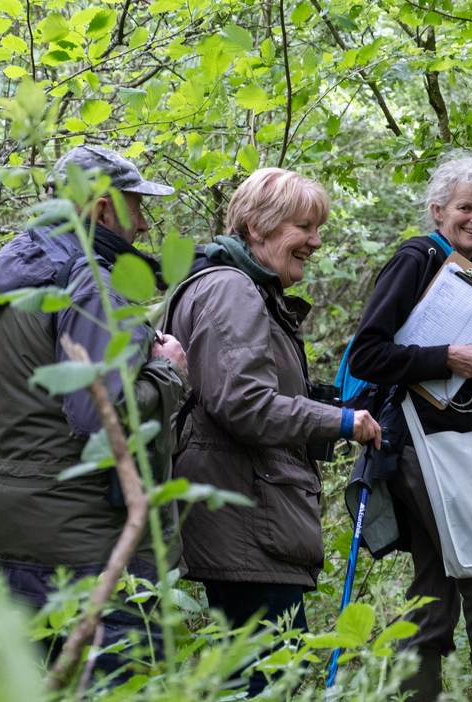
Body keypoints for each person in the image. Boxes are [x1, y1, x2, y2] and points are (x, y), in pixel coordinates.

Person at [0, 145, 189, 679]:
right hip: (98, 553)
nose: (144, 225)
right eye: (137, 207)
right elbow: (99, 416)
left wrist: (12, 501)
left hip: (19, 544)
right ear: (102, 209)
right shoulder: (92, 282)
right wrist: (168, 372)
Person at [166, 167, 381, 696]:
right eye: (303, 227)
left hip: (250, 524)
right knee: (272, 682)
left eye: (317, 227)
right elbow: (243, 403)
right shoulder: (232, 289)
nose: (316, 241)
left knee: (263, 678)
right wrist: (342, 421)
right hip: (247, 527)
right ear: (257, 228)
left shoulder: (242, 288)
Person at [347, 153, 472, 702]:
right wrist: (444, 356)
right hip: (418, 448)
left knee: (433, 589)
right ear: (438, 210)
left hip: (467, 448)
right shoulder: (416, 260)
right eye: (466, 207)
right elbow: (367, 355)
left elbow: (471, 388)